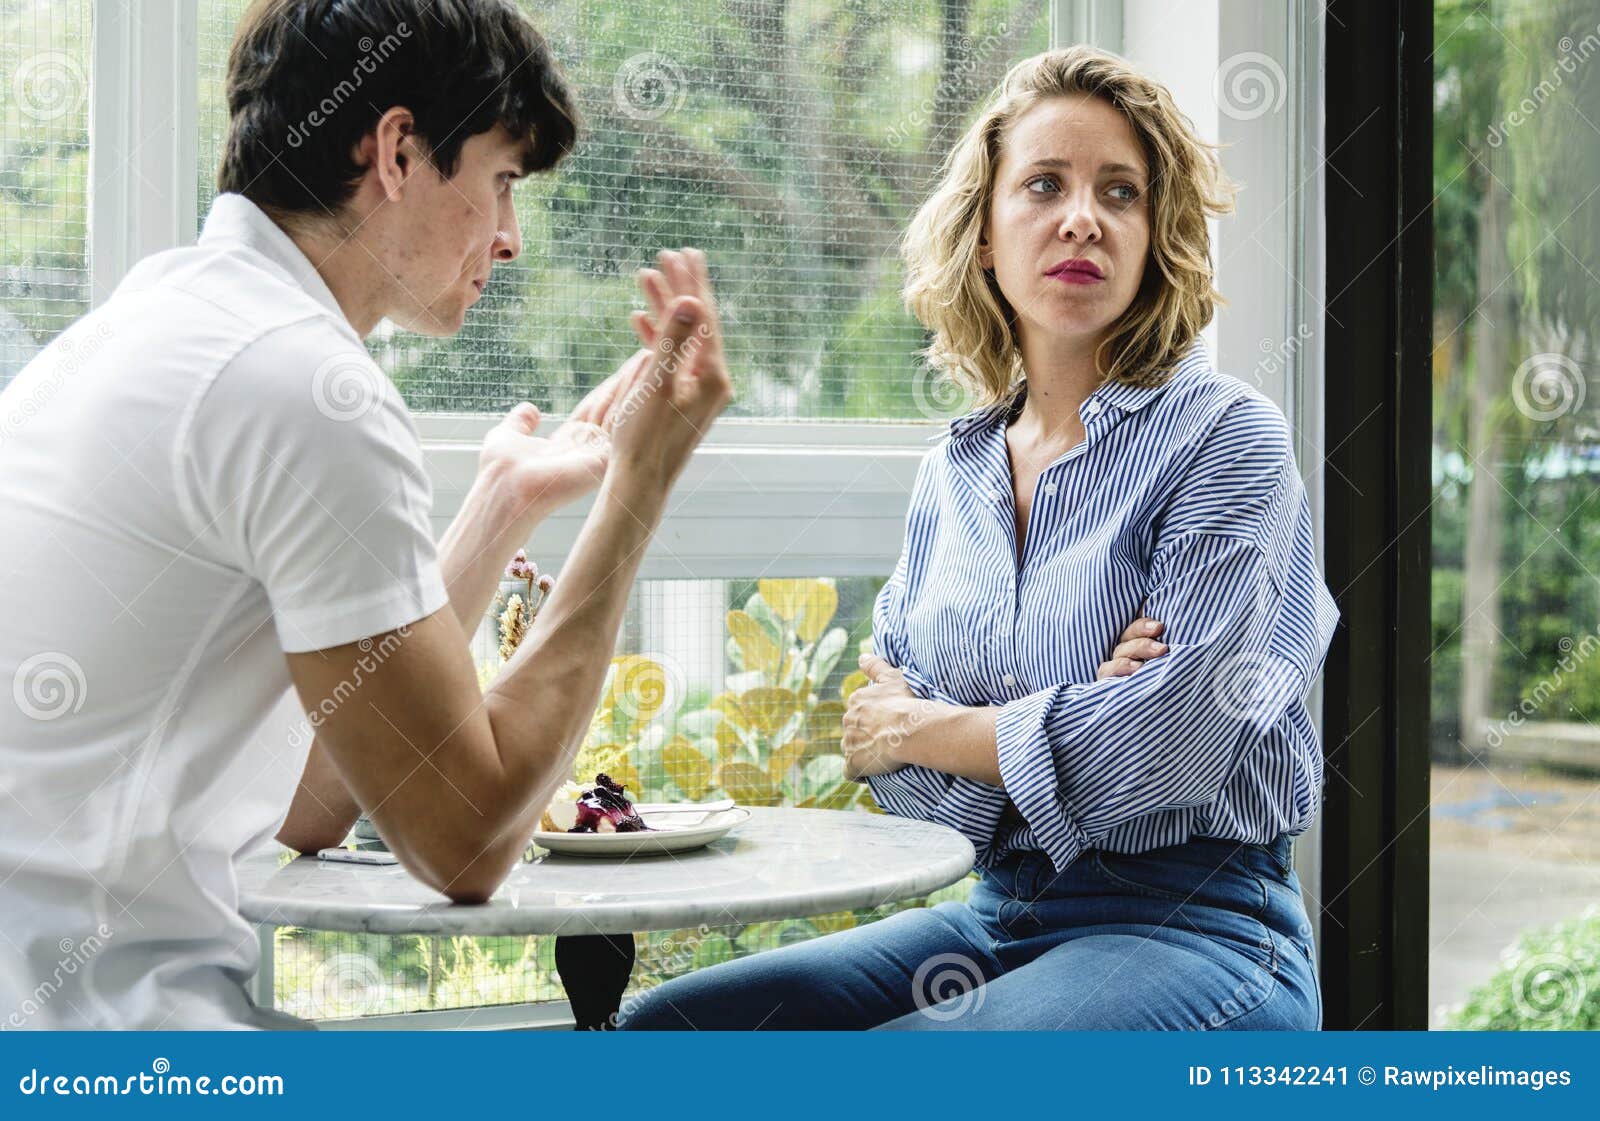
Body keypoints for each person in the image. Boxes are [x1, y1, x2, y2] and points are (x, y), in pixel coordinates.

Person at [0, 0, 730, 1029]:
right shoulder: (303, 384)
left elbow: (310, 798)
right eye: (501, 180)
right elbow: (467, 841)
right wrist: (638, 486)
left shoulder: (158, 322)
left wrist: (502, 505)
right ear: (396, 150)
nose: (510, 239)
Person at [618, 45, 1338, 1031]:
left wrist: (937, 725)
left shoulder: (1227, 435)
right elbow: (897, 774)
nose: (1082, 217)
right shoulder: (951, 473)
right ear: (986, 236)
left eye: (1119, 192)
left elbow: (1176, 741)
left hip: (1197, 928)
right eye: (1043, 184)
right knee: (673, 1029)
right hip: (995, 914)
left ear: (1154, 236)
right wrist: (1076, 715)